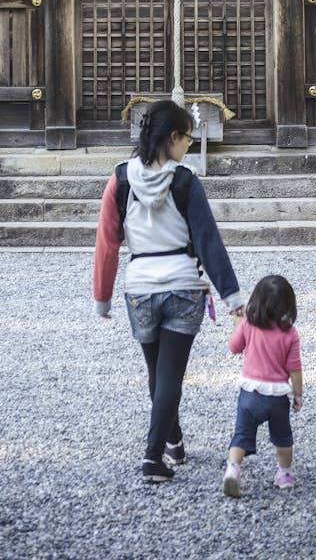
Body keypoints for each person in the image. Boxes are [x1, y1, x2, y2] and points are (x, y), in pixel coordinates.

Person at [93, 98, 245, 483]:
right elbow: (208, 241)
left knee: (157, 373)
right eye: (188, 139)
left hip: (140, 285)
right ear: (173, 137)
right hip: (181, 284)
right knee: (170, 376)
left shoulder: (120, 178)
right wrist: (233, 297)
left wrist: (102, 296)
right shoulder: (186, 181)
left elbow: (108, 241)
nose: (189, 146)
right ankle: (152, 457)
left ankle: (173, 440)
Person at [222, 274, 303, 497]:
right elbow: (295, 367)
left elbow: (234, 347)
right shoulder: (290, 333)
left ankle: (232, 470)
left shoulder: (248, 323)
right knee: (283, 439)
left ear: (256, 299)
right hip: (277, 396)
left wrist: (237, 322)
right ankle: (285, 474)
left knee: (241, 436)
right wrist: (298, 395)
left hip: (250, 393)